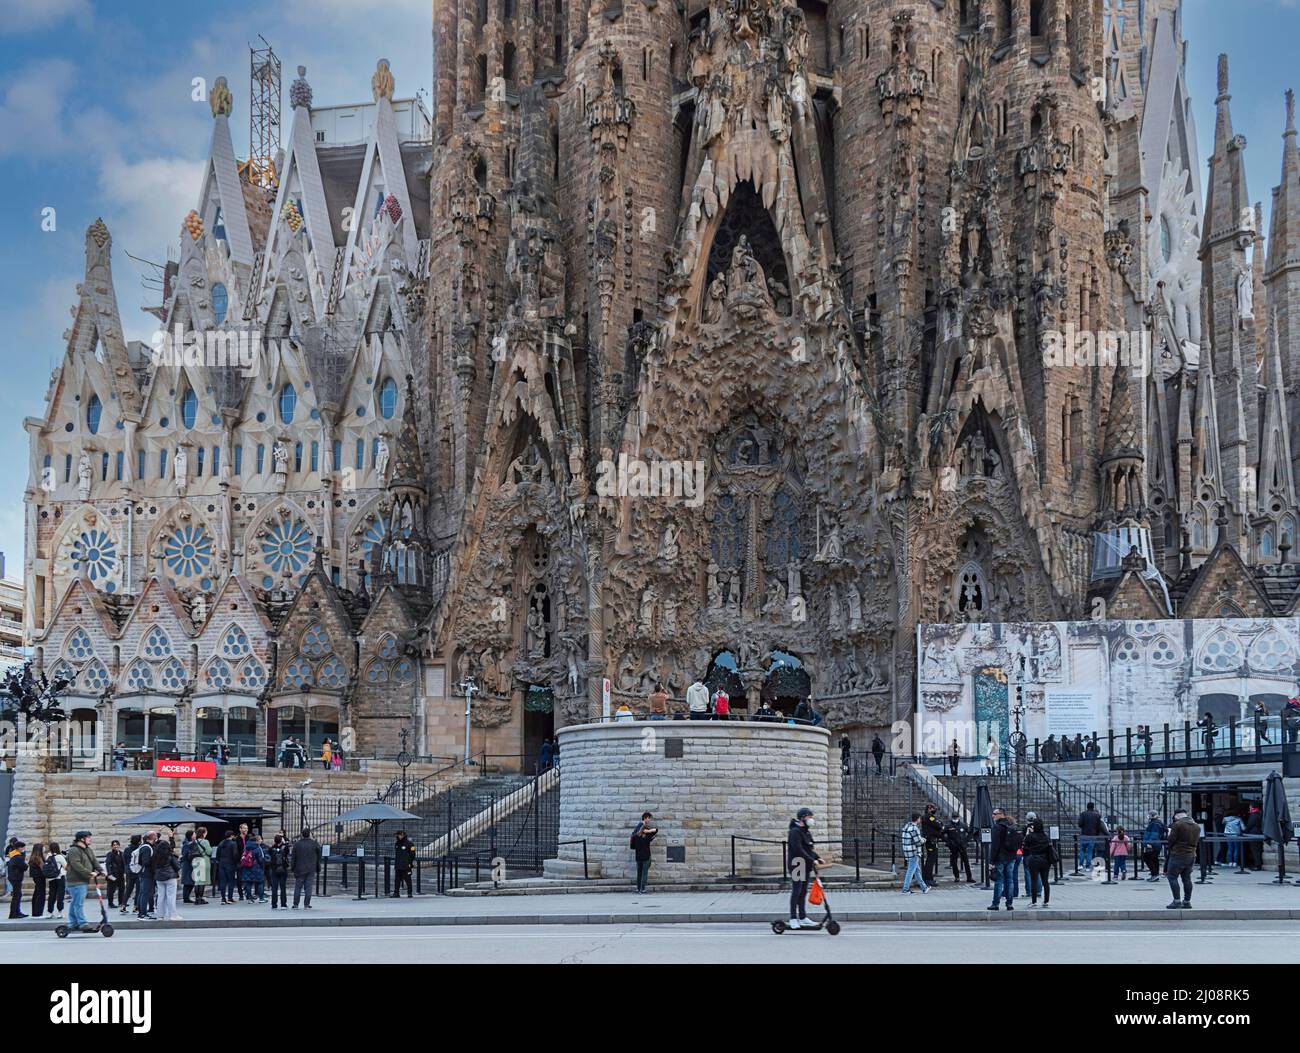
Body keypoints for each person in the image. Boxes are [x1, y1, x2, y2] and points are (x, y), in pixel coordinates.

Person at [788, 807, 825, 923]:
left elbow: (808, 848)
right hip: (797, 864)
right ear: (802, 818)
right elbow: (798, 849)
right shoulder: (794, 832)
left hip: (805, 865)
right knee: (796, 891)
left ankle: (803, 917)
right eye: (809, 817)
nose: (811, 819)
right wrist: (811, 860)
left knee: (803, 891)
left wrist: (817, 857)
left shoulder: (806, 831)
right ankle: (793, 918)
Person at [65, 830, 102, 930]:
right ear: (82, 839)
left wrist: (101, 870)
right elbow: (77, 865)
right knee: (78, 903)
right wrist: (89, 873)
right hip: (75, 881)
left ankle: (73, 923)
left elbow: (94, 861)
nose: (90, 839)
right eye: (88, 837)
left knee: (75, 902)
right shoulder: (74, 850)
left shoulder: (88, 849)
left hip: (83, 880)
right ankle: (82, 923)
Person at [1165, 808, 1201, 909]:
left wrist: (1169, 833)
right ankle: (1187, 901)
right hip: (1191, 855)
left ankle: (1176, 901)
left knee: (1172, 876)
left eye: (1175, 818)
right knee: (1187, 878)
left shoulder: (1178, 825)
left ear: (1177, 816)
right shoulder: (1196, 826)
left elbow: (1171, 840)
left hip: (1178, 854)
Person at [987, 807, 1020, 911]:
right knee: (1009, 880)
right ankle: (1009, 904)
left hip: (1000, 858)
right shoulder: (1011, 826)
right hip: (1011, 857)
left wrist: (991, 860)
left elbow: (995, 846)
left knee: (999, 881)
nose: (993, 816)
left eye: (994, 814)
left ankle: (995, 904)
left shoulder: (997, 827)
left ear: (1001, 814)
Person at [1022, 816, 1054, 908]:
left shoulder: (1030, 836)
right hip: (1045, 860)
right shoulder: (1046, 836)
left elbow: (1025, 847)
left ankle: (1034, 901)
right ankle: (1046, 901)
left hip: (1034, 859)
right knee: (1045, 881)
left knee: (1034, 880)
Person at [150, 831, 180, 921]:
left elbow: (153, 866)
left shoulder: (155, 856)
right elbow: (177, 867)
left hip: (159, 877)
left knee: (160, 896)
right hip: (170, 877)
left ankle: (160, 915)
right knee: (171, 897)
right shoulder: (170, 855)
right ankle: (173, 915)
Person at [291, 827, 322, 908]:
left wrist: (292, 867)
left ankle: (295, 904)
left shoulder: (297, 844)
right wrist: (317, 865)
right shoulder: (314, 843)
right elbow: (319, 856)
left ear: (302, 834)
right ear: (309, 834)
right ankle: (306, 904)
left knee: (298, 887)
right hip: (311, 868)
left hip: (299, 868)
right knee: (308, 887)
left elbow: (293, 857)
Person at [899, 812, 928, 895]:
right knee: (911, 870)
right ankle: (905, 889)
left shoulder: (907, 826)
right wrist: (924, 840)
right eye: (920, 818)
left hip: (907, 851)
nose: (920, 820)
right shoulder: (914, 828)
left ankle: (924, 887)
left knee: (917, 870)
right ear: (918, 818)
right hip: (913, 851)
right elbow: (918, 842)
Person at [630, 812, 657, 894]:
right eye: (649, 818)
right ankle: (643, 889)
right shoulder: (646, 832)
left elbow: (634, 843)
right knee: (644, 872)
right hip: (646, 855)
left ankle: (638, 888)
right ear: (645, 818)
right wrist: (650, 831)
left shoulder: (635, 833)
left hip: (638, 855)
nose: (649, 820)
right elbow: (656, 831)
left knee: (639, 872)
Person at [943, 817, 974, 883]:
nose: (955, 818)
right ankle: (956, 877)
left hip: (962, 845)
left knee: (966, 862)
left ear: (958, 817)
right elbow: (942, 834)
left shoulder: (963, 825)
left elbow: (970, 833)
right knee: (954, 862)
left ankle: (969, 877)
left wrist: (966, 841)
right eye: (954, 817)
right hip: (953, 846)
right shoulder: (948, 825)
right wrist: (948, 841)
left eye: (956, 817)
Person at [132, 834, 156, 920]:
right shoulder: (147, 848)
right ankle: (142, 913)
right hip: (146, 873)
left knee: (142, 892)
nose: (156, 838)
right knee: (144, 893)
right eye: (155, 837)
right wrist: (153, 863)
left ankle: (142, 912)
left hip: (143, 872)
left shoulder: (143, 846)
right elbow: (145, 861)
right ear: (152, 838)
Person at [920, 804, 944, 886]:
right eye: (933, 808)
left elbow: (939, 824)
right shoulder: (929, 817)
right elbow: (939, 825)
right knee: (931, 860)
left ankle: (928, 878)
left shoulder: (927, 817)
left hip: (931, 840)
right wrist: (940, 824)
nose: (934, 810)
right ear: (929, 809)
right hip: (931, 841)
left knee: (930, 860)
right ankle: (928, 879)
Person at [1078, 801, 1105, 872]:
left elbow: (1080, 824)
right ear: (1093, 807)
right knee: (1089, 851)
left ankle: (1080, 865)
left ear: (1087, 807)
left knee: (1082, 850)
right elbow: (1099, 826)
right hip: (1093, 835)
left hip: (1084, 834)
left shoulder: (1083, 814)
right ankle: (1087, 866)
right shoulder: (1097, 815)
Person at [216, 831, 240, 904]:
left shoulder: (221, 843)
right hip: (230, 864)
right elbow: (235, 854)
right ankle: (230, 898)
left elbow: (217, 855)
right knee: (231, 881)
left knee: (223, 881)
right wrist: (236, 862)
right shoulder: (233, 844)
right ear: (231, 836)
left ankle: (223, 898)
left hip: (221, 864)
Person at [1141, 811, 1166, 881]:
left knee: (1147, 857)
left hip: (1153, 843)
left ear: (1152, 815)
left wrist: (1150, 843)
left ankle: (1154, 874)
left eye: (1149, 815)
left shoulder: (1155, 823)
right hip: (1156, 843)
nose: (1147, 816)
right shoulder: (1156, 822)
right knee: (1154, 858)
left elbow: (1154, 834)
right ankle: (1155, 874)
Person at [267, 834, 291, 908]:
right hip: (283, 869)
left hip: (274, 869)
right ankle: (283, 904)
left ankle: (274, 904)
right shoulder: (285, 848)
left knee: (274, 888)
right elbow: (288, 849)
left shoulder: (271, 849)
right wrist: (283, 841)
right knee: (283, 887)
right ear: (281, 840)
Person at [121, 834, 142, 914]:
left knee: (128, 889)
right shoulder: (139, 849)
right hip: (137, 871)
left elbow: (125, 860)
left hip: (129, 871)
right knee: (138, 890)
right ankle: (136, 907)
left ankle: (123, 906)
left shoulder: (127, 849)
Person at [46, 841, 68, 918]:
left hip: (51, 878)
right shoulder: (60, 856)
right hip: (60, 877)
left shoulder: (48, 856)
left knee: (51, 895)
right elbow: (66, 867)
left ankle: (50, 912)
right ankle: (60, 912)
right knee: (60, 895)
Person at [6, 839, 26, 919]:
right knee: (17, 896)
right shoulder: (18, 857)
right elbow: (24, 866)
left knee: (17, 895)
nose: (23, 849)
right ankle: (14, 913)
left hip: (13, 877)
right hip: (16, 878)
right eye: (23, 848)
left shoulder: (12, 855)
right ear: (19, 848)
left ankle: (17, 912)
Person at [243, 835, 267, 903]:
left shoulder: (246, 847)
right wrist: (263, 866)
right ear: (256, 841)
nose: (261, 841)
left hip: (247, 867)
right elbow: (260, 859)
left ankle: (250, 899)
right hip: (257, 868)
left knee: (248, 883)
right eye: (260, 840)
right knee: (260, 882)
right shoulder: (258, 848)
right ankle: (261, 898)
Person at [190, 827, 211, 904]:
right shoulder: (205, 841)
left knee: (197, 881)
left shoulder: (193, 841)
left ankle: (196, 898)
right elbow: (209, 852)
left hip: (195, 861)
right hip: (203, 860)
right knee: (202, 881)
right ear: (203, 833)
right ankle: (200, 898)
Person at [393, 830, 417, 898]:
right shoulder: (397, 843)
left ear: (403, 835)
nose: (397, 836)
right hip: (398, 865)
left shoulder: (410, 844)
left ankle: (409, 893)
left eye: (399, 835)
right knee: (397, 880)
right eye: (397, 835)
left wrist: (409, 862)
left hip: (406, 865)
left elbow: (413, 855)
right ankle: (396, 893)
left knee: (408, 880)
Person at [28, 843, 48, 918]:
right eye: (43, 848)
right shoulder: (38, 858)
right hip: (40, 877)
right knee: (40, 894)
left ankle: (35, 912)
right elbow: (43, 867)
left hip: (36, 877)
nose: (44, 849)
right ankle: (38, 912)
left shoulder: (34, 857)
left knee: (37, 893)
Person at [104, 840, 126, 909]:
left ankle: (121, 902)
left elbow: (124, 864)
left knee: (122, 888)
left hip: (120, 874)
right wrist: (109, 874)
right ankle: (110, 903)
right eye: (114, 845)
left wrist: (125, 872)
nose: (115, 846)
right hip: (113, 874)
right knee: (111, 890)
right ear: (112, 846)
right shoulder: (110, 854)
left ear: (119, 845)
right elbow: (107, 864)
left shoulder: (122, 853)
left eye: (117, 844)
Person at [180, 830, 197, 903]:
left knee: (190, 881)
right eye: (194, 834)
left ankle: (186, 897)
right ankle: (186, 898)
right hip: (188, 864)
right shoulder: (187, 844)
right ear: (191, 835)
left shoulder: (190, 843)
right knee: (188, 881)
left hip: (190, 864)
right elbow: (185, 855)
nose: (195, 835)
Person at [1245, 805, 1263, 870]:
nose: (1249, 809)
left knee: (1255, 850)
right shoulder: (1260, 814)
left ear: (1252, 807)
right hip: (1259, 833)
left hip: (1253, 833)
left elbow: (1250, 824)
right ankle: (1258, 864)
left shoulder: (1254, 815)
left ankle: (1257, 865)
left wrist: (1244, 831)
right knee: (1258, 849)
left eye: (1250, 807)